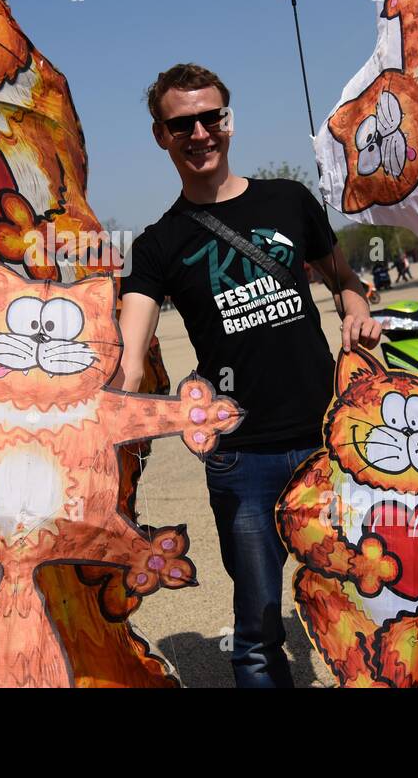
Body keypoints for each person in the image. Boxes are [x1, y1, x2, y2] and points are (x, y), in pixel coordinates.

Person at [116, 63, 381, 688]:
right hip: (241, 456)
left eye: (212, 118)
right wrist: (112, 412)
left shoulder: (288, 202)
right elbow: (131, 354)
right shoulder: (156, 246)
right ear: (161, 135)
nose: (201, 133)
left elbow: (342, 278)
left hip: (328, 440)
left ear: (228, 122)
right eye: (183, 124)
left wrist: (357, 310)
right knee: (259, 630)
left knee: (360, 594)